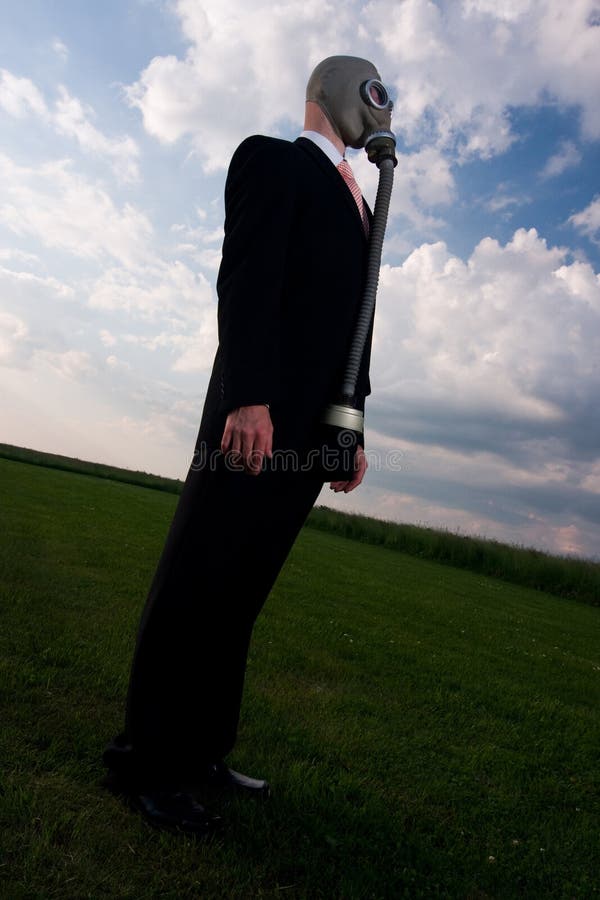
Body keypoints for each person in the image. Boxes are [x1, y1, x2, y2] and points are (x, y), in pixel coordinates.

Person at [102, 55, 394, 834]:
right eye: (372, 89)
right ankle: (146, 764)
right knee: (198, 581)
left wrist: (351, 425)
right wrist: (250, 399)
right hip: (254, 417)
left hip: (310, 431)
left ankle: (199, 752)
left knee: (240, 594)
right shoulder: (276, 161)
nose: (381, 104)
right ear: (335, 93)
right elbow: (249, 280)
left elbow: (353, 324)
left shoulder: (362, 201)